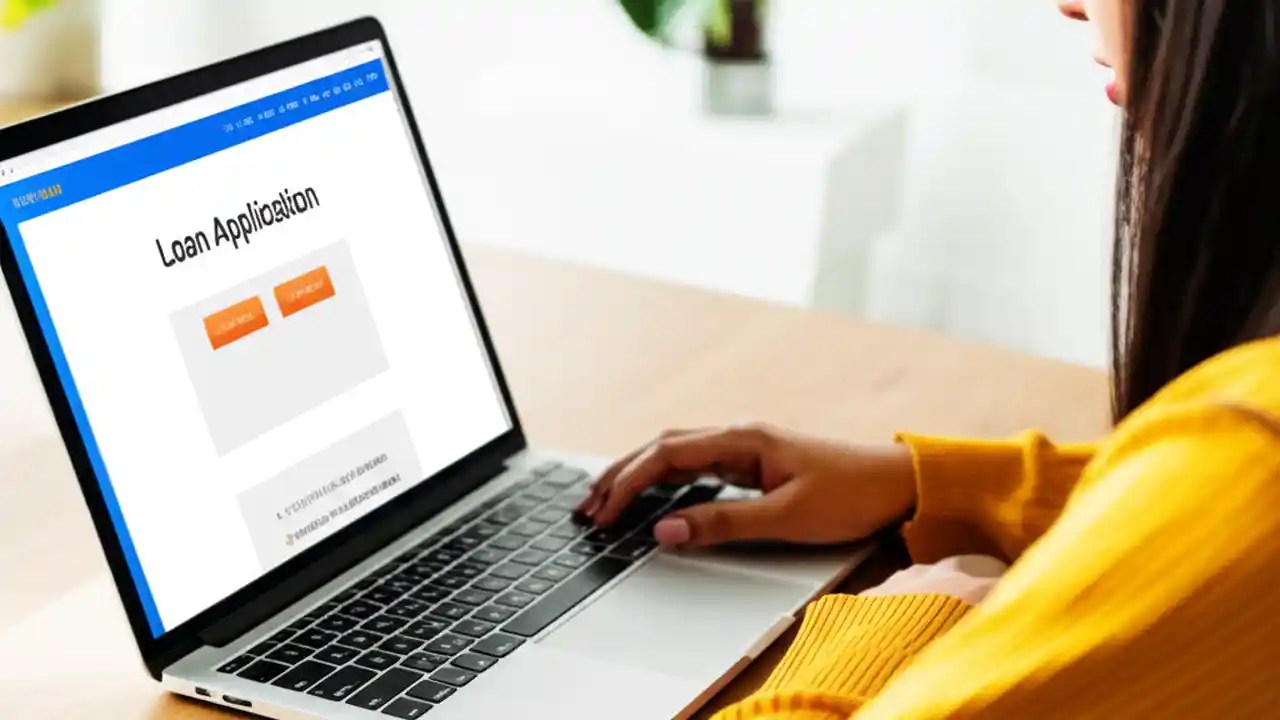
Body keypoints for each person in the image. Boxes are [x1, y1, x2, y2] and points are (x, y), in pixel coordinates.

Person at [578, 0, 1280, 716]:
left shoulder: (1255, 462)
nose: (1068, 4)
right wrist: (931, 488)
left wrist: (899, 626)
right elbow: (1199, 522)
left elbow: (1238, 498)